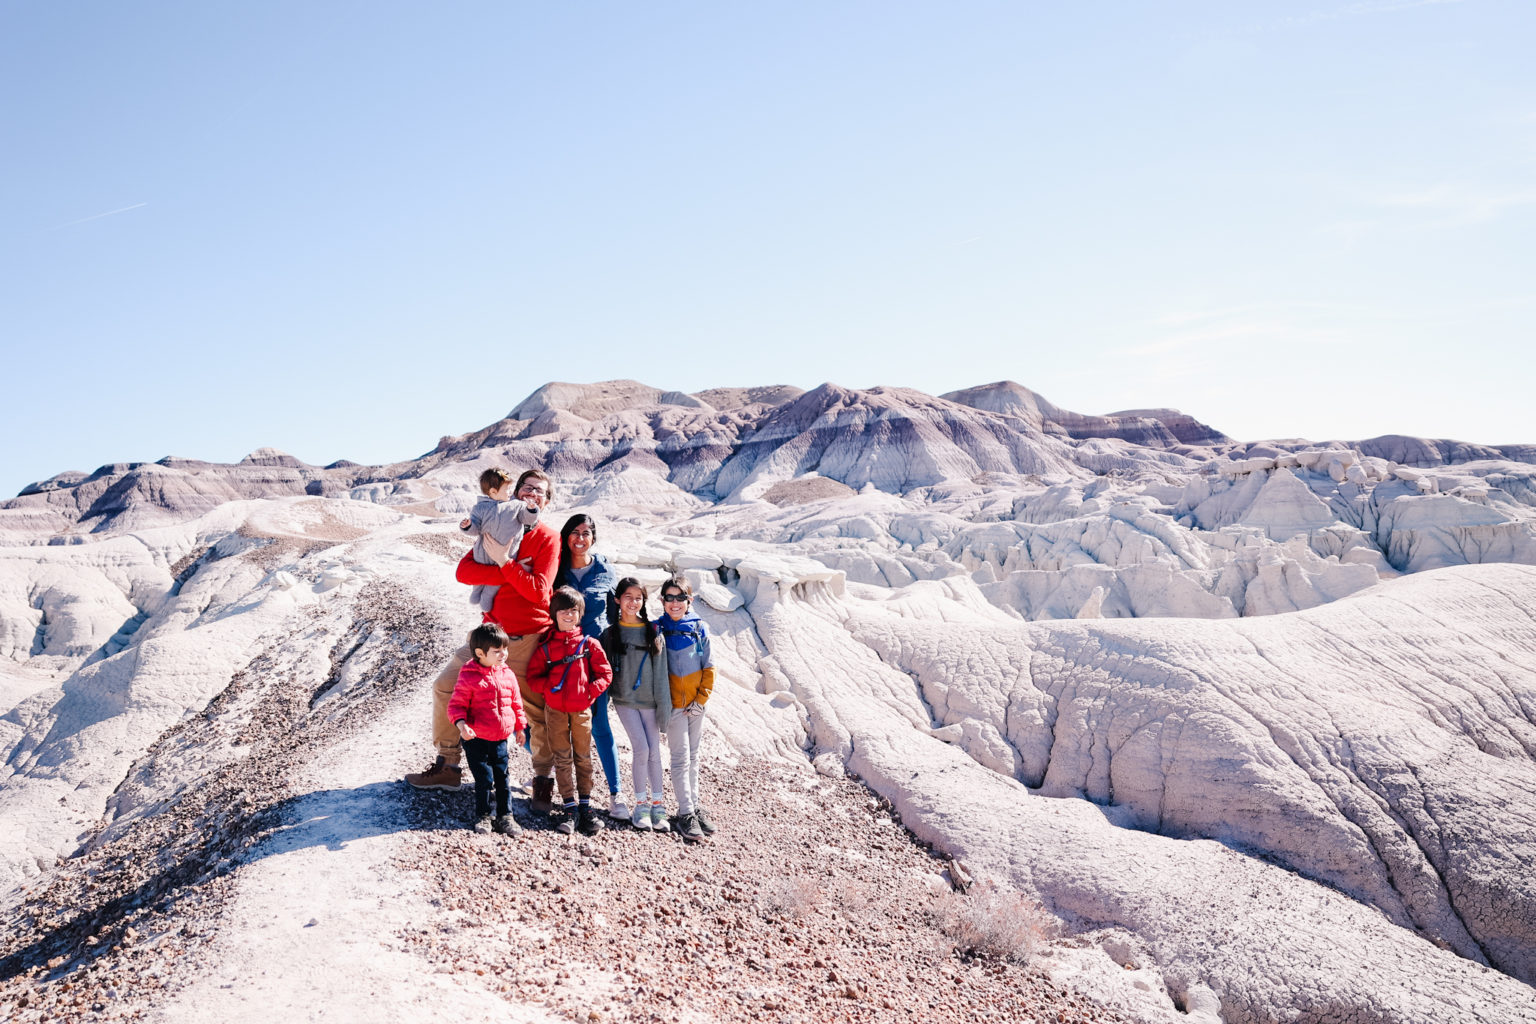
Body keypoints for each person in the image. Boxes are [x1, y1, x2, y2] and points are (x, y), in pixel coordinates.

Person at [405, 469, 560, 808]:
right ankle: (448, 765)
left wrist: (504, 560)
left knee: (533, 712)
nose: (532, 494)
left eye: (540, 492)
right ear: (515, 493)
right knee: (446, 686)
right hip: (487, 636)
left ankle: (543, 780)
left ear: (545, 503)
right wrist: (513, 570)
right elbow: (464, 572)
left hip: (527, 639)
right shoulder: (495, 523)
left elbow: (538, 592)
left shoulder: (547, 538)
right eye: (527, 488)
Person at [553, 514, 626, 820]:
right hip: (559, 658)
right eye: (574, 532)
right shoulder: (556, 569)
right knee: (555, 727)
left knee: (599, 727)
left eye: (586, 533)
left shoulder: (605, 569)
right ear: (566, 536)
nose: (580, 538)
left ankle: (615, 793)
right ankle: (562, 786)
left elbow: (619, 611)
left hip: (594, 660)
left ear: (593, 538)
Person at [526, 586, 613, 836]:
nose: (568, 615)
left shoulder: (589, 644)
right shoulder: (546, 647)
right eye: (563, 611)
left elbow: (605, 674)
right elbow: (533, 677)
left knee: (583, 756)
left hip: (582, 709)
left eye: (573, 611)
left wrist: (589, 692)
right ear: (554, 614)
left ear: (580, 614)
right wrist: (550, 689)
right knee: (562, 757)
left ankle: (585, 806)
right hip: (555, 711)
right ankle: (570, 807)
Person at [601, 577, 672, 832]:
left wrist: (664, 712)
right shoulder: (610, 634)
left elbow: (662, 675)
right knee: (641, 749)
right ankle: (640, 805)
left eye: (638, 598)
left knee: (655, 751)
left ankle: (658, 806)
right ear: (618, 600)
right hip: (625, 701)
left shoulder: (652, 632)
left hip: (650, 703)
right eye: (628, 597)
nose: (633, 602)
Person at [445, 623, 528, 835]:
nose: (504, 654)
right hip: (476, 739)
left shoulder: (507, 674)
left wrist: (520, 727)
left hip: (501, 737)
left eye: (505, 649)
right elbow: (456, 705)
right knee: (484, 779)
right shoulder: (469, 675)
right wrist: (462, 725)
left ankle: (505, 816)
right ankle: (483, 815)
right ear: (480, 653)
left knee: (503, 777)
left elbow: (516, 702)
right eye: (497, 651)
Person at [657, 576, 716, 843]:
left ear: (689, 601)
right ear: (662, 601)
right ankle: (684, 813)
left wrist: (700, 700)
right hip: (674, 708)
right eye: (669, 598)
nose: (674, 603)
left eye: (680, 598)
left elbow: (709, 667)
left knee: (694, 757)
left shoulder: (699, 628)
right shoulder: (658, 628)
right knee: (680, 759)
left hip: (695, 706)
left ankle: (693, 806)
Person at [460, 467, 540, 613]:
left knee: (495, 581)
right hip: (483, 552)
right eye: (507, 489)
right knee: (480, 575)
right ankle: (476, 592)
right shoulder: (480, 508)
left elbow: (526, 519)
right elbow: (475, 528)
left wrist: (531, 510)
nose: (511, 492)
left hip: (507, 553)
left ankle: (486, 601)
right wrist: (468, 526)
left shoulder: (516, 506)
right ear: (492, 492)